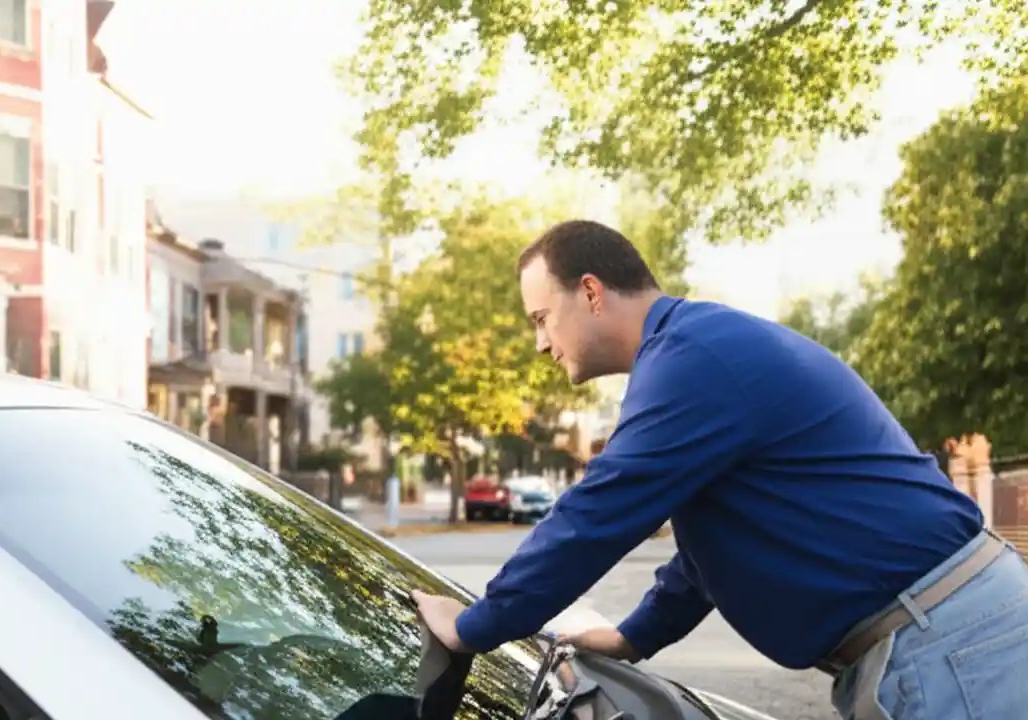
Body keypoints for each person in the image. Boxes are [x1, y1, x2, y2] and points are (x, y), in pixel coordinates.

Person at [410, 220, 1028, 719]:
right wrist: (635, 637)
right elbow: (707, 550)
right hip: (939, 638)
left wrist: (472, 627)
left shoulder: (690, 361)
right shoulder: (696, 353)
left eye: (540, 320)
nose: (540, 344)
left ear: (591, 292)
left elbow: (598, 514)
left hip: (953, 643)